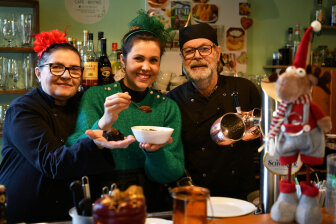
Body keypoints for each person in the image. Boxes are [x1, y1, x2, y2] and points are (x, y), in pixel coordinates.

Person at [0, 29, 134, 223]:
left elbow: (102, 138)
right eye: (56, 67)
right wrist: (96, 142)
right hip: (26, 215)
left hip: (73, 213)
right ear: (38, 72)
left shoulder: (84, 102)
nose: (65, 75)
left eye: (74, 69)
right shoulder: (23, 110)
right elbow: (53, 163)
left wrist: (114, 136)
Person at [67, 10, 184, 212]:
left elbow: (171, 173)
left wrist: (155, 152)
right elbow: (75, 149)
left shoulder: (167, 107)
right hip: (103, 198)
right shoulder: (96, 97)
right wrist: (104, 121)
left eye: (153, 60)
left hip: (151, 204)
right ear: (123, 59)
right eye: (138, 58)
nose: (146, 67)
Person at [167, 23, 261, 200]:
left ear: (217, 53)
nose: (197, 56)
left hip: (242, 196)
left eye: (204, 49)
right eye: (189, 51)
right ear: (182, 57)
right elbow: (172, 156)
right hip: (196, 196)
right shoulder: (173, 100)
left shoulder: (245, 90)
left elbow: (266, 140)